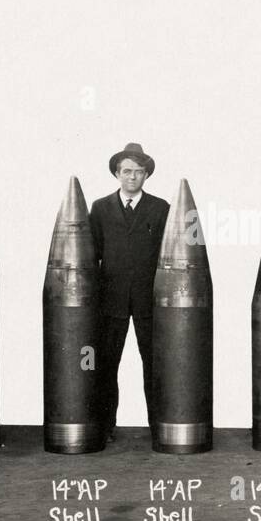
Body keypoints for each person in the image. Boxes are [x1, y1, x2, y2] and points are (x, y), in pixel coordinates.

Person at [88, 142, 170, 442]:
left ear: (146, 175)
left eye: (138, 172)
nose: (132, 177)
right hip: (111, 300)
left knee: (156, 363)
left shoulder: (161, 208)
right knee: (107, 365)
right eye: (126, 172)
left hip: (151, 301)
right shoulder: (99, 208)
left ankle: (160, 426)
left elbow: (167, 255)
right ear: (116, 173)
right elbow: (91, 253)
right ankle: (105, 425)